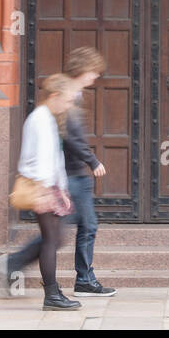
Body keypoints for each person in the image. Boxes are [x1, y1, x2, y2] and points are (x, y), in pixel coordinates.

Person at [2, 73, 81, 310]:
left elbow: (53, 158)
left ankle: (19, 266)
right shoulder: (40, 119)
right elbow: (41, 158)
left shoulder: (46, 118)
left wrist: (61, 187)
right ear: (54, 96)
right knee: (50, 240)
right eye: (67, 100)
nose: (69, 106)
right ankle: (51, 295)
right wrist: (46, 190)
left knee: (55, 239)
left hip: (49, 186)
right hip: (42, 186)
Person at [60, 47, 116, 296]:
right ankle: (83, 280)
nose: (96, 77)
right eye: (94, 72)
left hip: (73, 170)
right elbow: (71, 136)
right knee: (79, 225)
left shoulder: (74, 93)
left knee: (80, 225)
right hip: (71, 172)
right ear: (82, 70)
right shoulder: (67, 94)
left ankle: (84, 279)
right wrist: (92, 160)